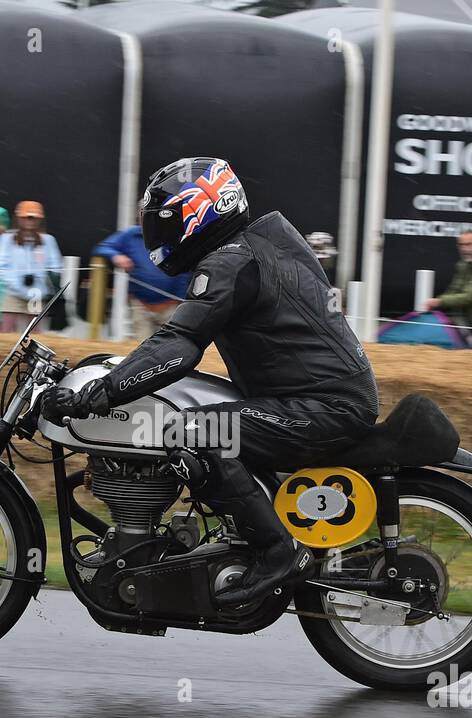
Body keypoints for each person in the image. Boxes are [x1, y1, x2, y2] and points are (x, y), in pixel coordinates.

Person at [40, 157, 379, 607]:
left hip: (322, 406)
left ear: (198, 211)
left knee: (195, 433)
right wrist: (119, 371)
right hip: (318, 398)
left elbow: (179, 344)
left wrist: (98, 394)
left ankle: (277, 552)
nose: (158, 235)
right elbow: (175, 341)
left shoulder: (231, 262)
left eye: (165, 222)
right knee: (196, 417)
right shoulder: (258, 245)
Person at [92, 223, 190, 339]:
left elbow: (186, 268)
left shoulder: (175, 235)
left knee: (170, 349)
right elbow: (102, 247)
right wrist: (116, 256)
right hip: (141, 307)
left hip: (171, 309)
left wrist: (182, 302)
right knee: (142, 349)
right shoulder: (131, 234)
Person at [0, 200, 62, 334]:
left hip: (36, 293)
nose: (30, 221)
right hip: (12, 293)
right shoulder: (6, 239)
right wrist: (17, 284)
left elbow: (55, 267)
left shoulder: (48, 240)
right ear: (18, 219)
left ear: (39, 220)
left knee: (34, 334)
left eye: (33, 218)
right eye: (26, 217)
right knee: (6, 331)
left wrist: (41, 284)